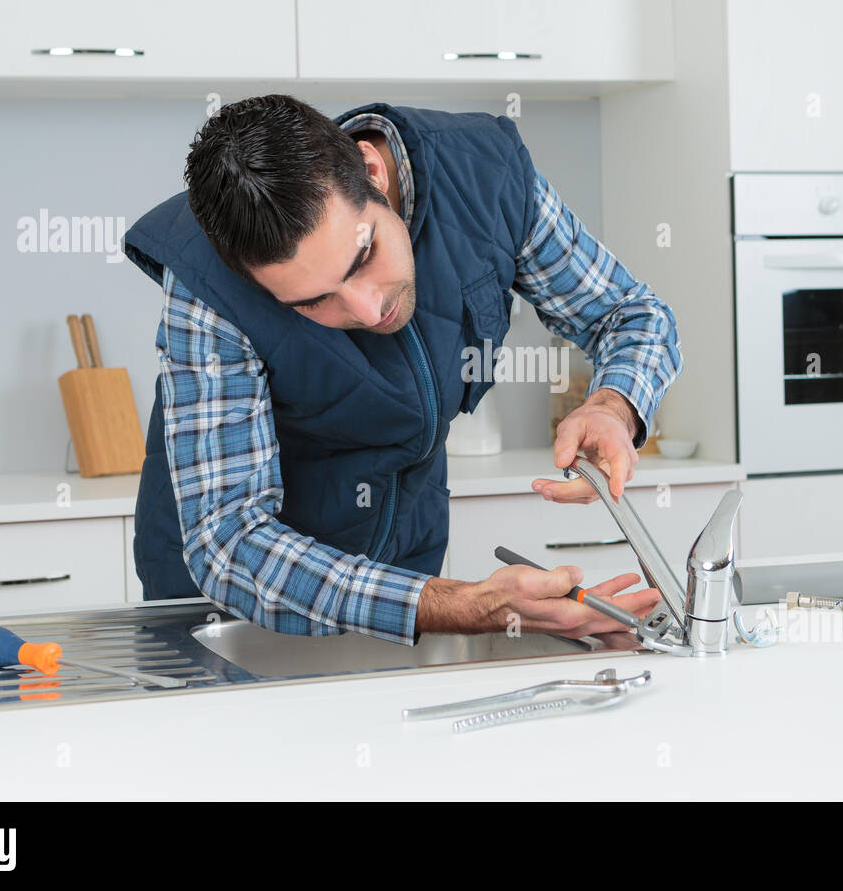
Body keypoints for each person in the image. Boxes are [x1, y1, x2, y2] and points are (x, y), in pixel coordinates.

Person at [124, 95, 682, 644]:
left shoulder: (484, 176)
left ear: (371, 170)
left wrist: (613, 406)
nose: (368, 311)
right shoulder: (205, 283)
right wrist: (460, 605)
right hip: (230, 612)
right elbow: (230, 540)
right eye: (312, 303)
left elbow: (629, 314)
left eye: (363, 257)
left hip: (408, 578)